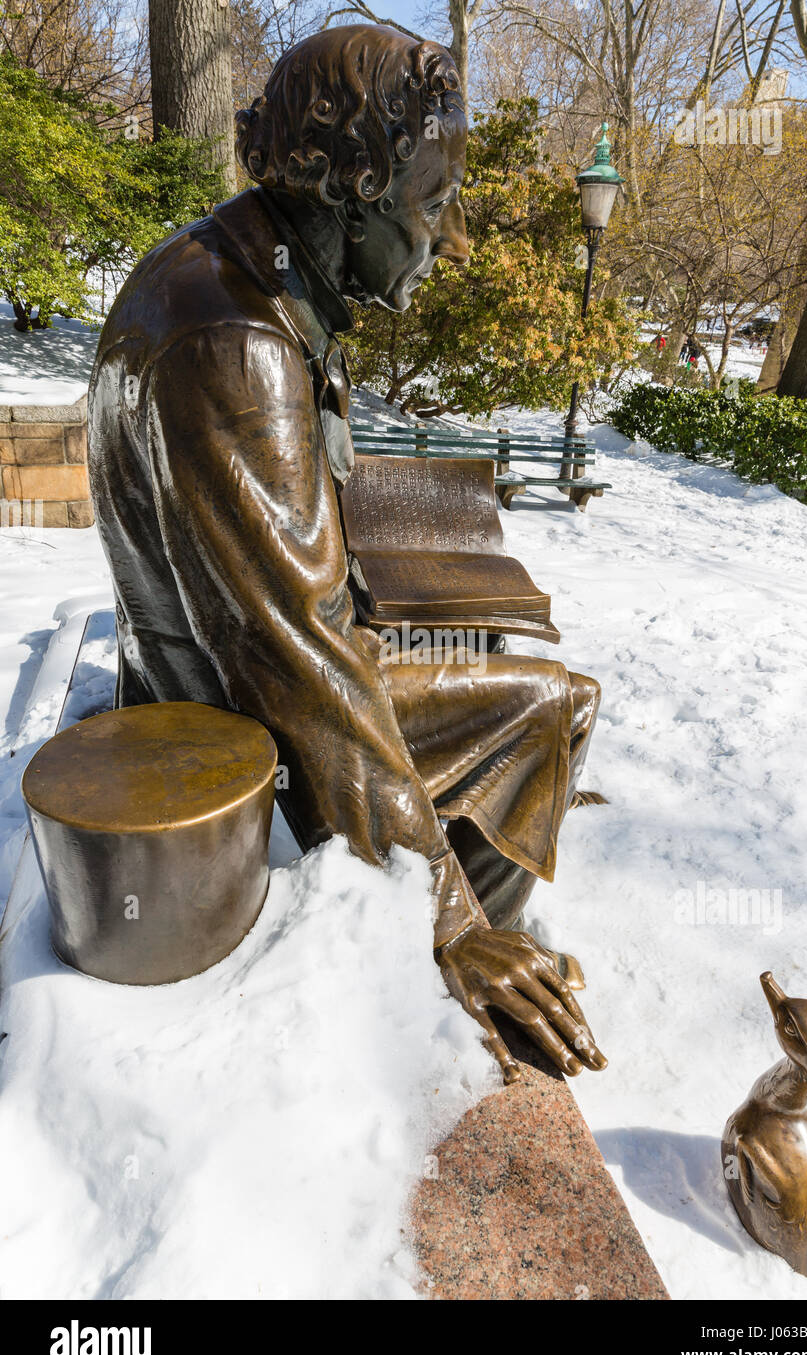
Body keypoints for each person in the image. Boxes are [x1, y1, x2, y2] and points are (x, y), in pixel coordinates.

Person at [88, 25, 606, 1084]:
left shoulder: (236, 274)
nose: (449, 240)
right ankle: (466, 1021)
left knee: (539, 704)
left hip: (206, 696)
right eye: (428, 205)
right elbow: (302, 666)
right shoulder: (236, 343)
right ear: (346, 195)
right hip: (233, 743)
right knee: (552, 706)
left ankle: (484, 953)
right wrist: (448, 919)